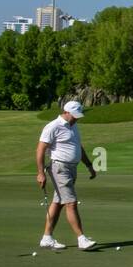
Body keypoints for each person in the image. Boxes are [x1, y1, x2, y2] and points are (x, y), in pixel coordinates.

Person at [36, 100, 98, 251]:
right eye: (74, 115)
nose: (77, 118)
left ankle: (47, 237)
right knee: (71, 202)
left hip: (72, 168)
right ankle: (81, 238)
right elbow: (40, 150)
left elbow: (78, 147)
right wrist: (40, 173)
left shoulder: (74, 126)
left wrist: (89, 165)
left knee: (58, 203)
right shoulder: (53, 126)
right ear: (66, 112)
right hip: (59, 168)